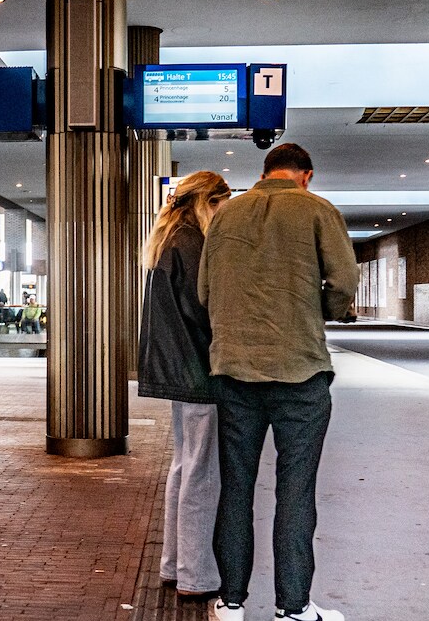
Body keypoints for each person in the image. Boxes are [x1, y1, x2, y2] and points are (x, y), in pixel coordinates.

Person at [199, 144, 357, 621]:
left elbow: (205, 290)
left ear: (265, 172)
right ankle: (293, 608)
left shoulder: (226, 215)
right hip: (300, 373)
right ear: (306, 175)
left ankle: (231, 603)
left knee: (236, 488)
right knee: (295, 489)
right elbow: (343, 281)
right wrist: (317, 312)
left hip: (234, 372)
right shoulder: (318, 210)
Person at [137, 171, 231, 599]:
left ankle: (175, 564)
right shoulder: (192, 242)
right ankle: (196, 575)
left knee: (184, 466)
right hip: (198, 369)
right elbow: (204, 307)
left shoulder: (168, 239)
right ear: (207, 201)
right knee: (201, 473)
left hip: (178, 370)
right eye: (222, 204)